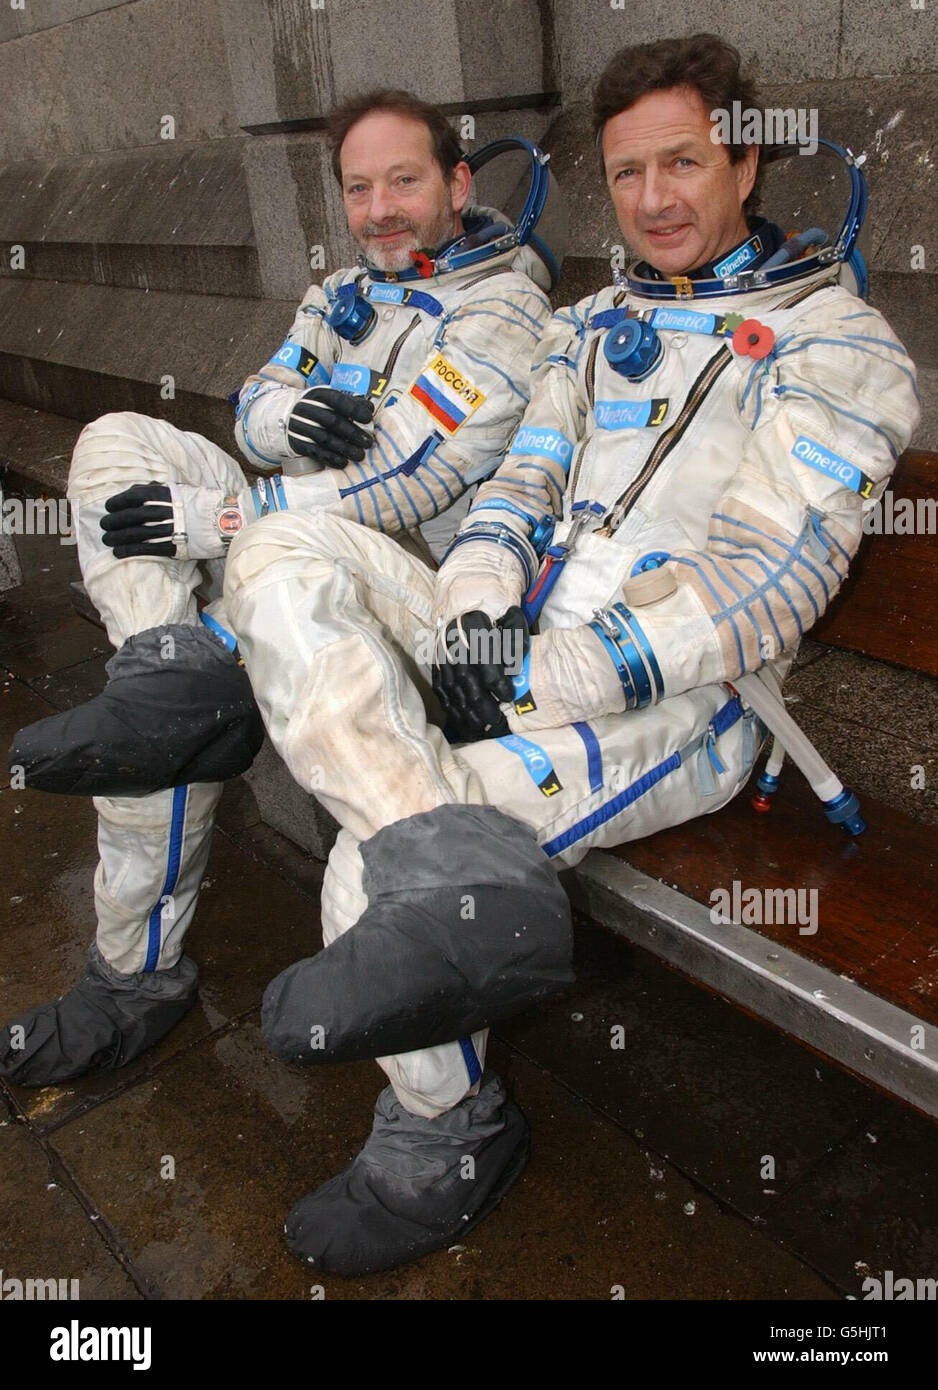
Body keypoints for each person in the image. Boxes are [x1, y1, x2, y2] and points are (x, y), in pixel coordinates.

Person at [217, 33, 921, 1276]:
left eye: (684, 163)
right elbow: (516, 492)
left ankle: (448, 1132)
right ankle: (438, 869)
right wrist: (481, 609)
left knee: (373, 871)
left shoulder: (836, 346)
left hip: (685, 709)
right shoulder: (585, 326)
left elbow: (760, 590)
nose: (653, 199)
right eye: (628, 171)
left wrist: (538, 675)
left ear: (744, 160)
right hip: (509, 644)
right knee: (280, 557)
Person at [2, 90, 562, 1087]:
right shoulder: (340, 289)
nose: (380, 208)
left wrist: (214, 519)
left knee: (170, 706)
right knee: (117, 444)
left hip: (406, 593)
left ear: (458, 183)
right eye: (358, 187)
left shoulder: (504, 310)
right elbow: (253, 398)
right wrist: (297, 414)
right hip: (289, 545)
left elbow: (410, 479)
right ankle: (165, 673)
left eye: (403, 180)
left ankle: (135, 958)